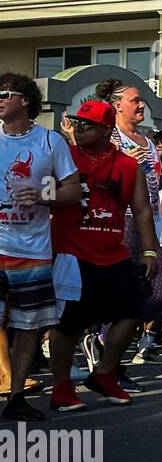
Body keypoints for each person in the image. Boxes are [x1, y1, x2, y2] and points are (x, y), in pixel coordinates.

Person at [48, 101, 160, 413]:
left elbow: (142, 210)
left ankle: (105, 372)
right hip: (71, 253)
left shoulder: (127, 165)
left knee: (133, 310)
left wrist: (149, 251)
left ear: (107, 130)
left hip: (113, 253)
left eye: (88, 124)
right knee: (68, 323)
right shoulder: (64, 157)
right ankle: (61, 387)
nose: (80, 128)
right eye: (78, 122)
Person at [0, 73, 81, 421]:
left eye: (5, 93)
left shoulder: (50, 142)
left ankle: (16, 396)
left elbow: (73, 191)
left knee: (28, 327)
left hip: (32, 250)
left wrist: (43, 196)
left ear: (25, 100)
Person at [96, 78, 162, 366]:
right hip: (122, 221)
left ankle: (106, 337)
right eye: (134, 100)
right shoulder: (110, 138)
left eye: (141, 100)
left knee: (157, 295)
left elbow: (155, 179)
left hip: (151, 222)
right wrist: (121, 161)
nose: (141, 104)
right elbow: (97, 178)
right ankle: (109, 357)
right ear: (117, 106)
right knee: (125, 290)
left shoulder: (148, 139)